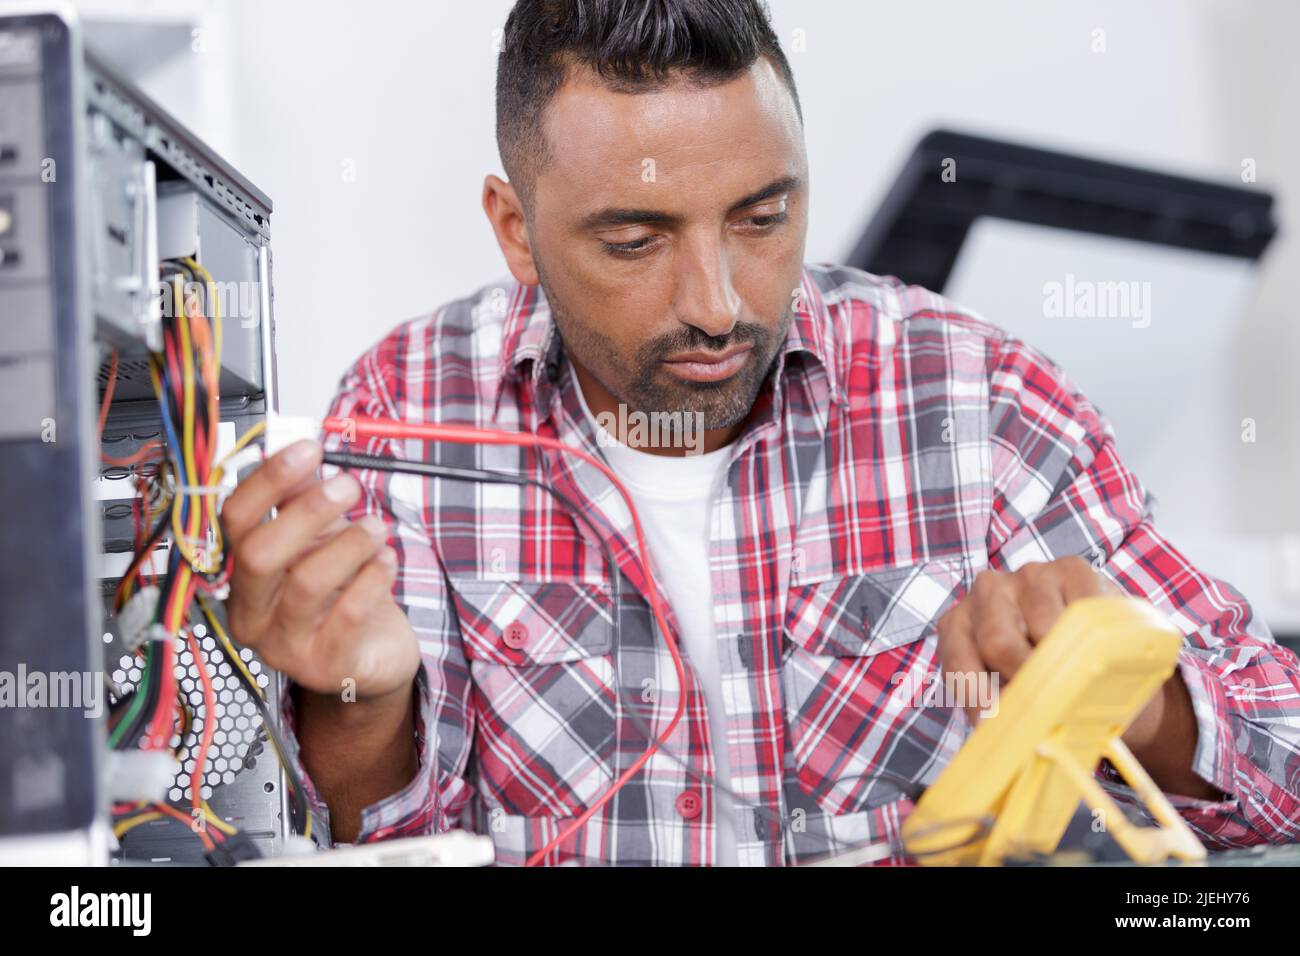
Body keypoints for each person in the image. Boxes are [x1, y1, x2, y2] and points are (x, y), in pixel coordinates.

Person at [220, 0, 1300, 865]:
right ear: (516, 229)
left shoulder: (976, 399)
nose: (718, 302)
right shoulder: (410, 409)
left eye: (761, 218)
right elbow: (379, 838)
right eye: (634, 239)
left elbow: (1283, 757)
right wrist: (358, 700)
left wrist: (1130, 693)